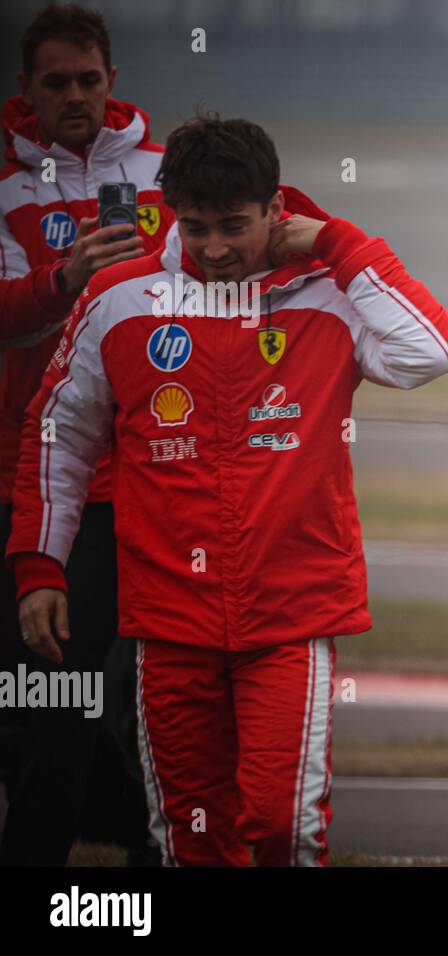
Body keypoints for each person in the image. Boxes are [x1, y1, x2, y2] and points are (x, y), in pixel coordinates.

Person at [7, 113, 448, 866]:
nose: (213, 248)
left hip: (291, 616)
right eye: (195, 227)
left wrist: (339, 243)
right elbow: (61, 435)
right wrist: (39, 566)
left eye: (233, 226)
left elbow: (430, 351)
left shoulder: (330, 290)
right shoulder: (122, 298)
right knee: (190, 841)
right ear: (172, 214)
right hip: (167, 621)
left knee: (284, 829)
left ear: (276, 210)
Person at [0, 3, 171, 866]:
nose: (75, 96)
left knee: (73, 693)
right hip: (23, 472)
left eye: (89, 81)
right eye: (56, 82)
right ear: (26, 89)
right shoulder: (6, 187)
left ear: (113, 82)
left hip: (131, 480)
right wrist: (64, 280)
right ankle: (125, 828)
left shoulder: (165, 173)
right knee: (32, 699)